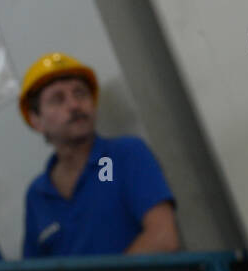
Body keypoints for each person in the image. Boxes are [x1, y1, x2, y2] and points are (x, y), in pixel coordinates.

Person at [18, 52, 180, 258]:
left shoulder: (126, 155)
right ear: (36, 120)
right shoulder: (37, 195)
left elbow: (163, 238)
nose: (74, 105)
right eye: (58, 99)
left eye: (80, 94)